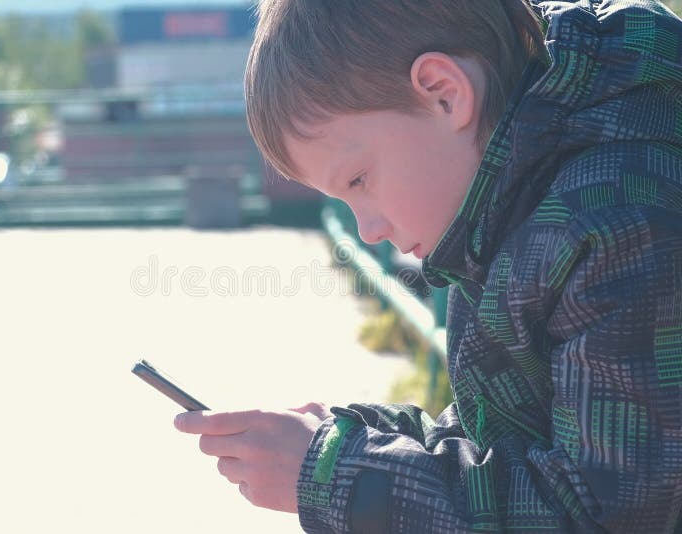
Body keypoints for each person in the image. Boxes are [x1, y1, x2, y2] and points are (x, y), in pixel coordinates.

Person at [174, 0, 682, 531]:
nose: (367, 230)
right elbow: (508, 442)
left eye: (358, 181)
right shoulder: (509, 203)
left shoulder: (617, 222)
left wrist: (339, 475)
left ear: (443, 93)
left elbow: (600, 513)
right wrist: (352, 441)